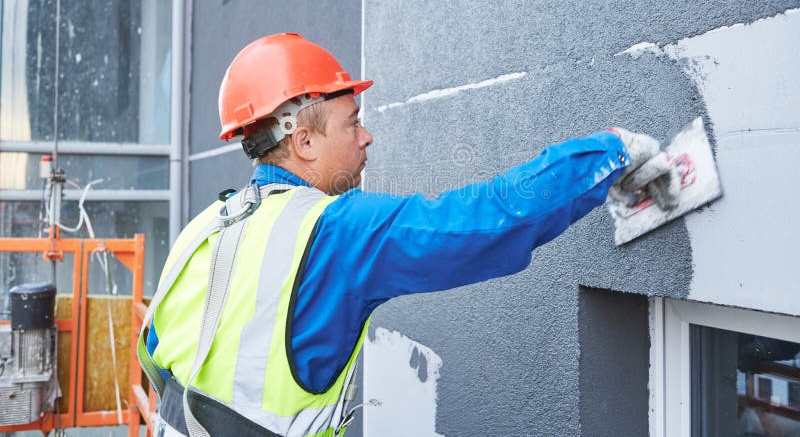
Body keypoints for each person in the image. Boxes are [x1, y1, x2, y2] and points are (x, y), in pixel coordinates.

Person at [138, 32, 671, 437]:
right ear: (303, 141)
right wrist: (609, 153)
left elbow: (157, 358)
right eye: (352, 122)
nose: (367, 137)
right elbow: (484, 221)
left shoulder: (203, 229)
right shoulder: (333, 233)